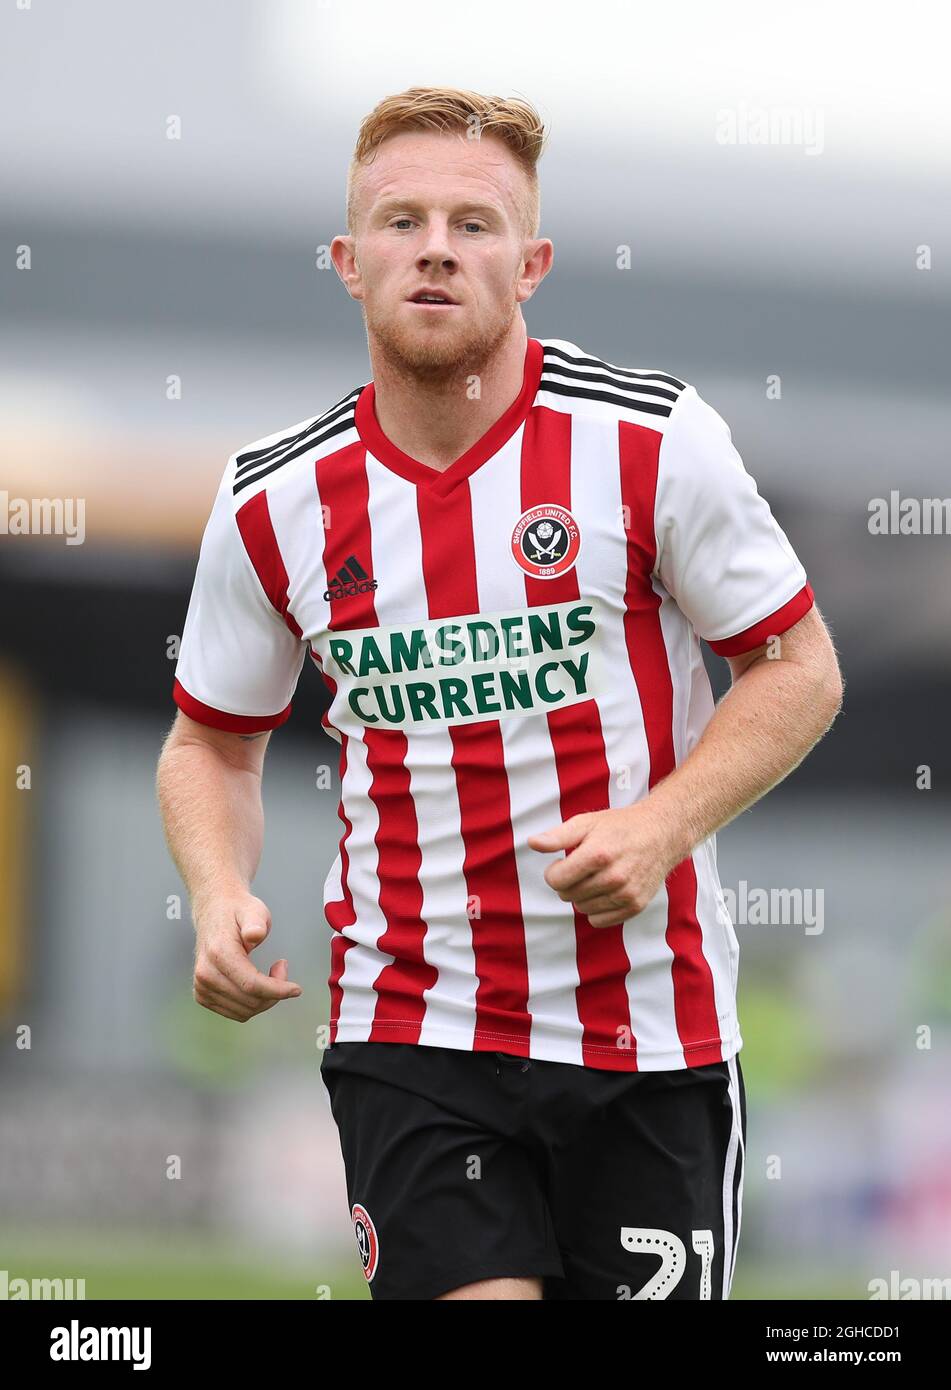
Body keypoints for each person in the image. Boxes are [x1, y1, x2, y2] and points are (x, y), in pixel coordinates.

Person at [156, 86, 843, 1301]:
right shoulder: (274, 497)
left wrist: (660, 825)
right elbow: (211, 741)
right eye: (399, 219)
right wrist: (216, 891)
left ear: (530, 265)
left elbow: (798, 671)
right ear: (346, 262)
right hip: (412, 1022)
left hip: (649, 1027)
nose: (433, 245)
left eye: (473, 224)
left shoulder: (650, 440)